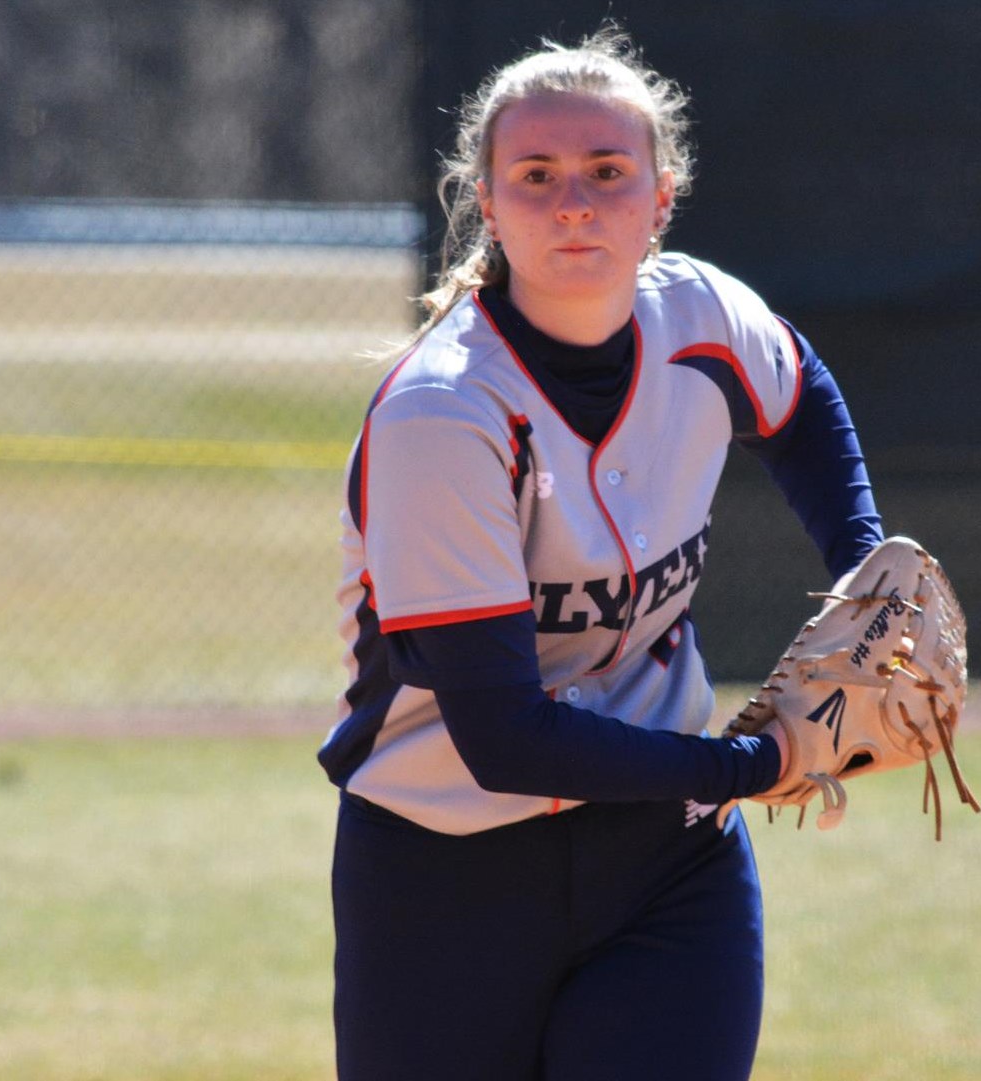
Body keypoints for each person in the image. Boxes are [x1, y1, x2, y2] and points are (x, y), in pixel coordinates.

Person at [319, 25, 884, 1081]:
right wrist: (757, 765)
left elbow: (798, 390)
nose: (572, 201)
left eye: (606, 171)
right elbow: (506, 740)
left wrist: (863, 567)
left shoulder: (699, 316)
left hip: (670, 862)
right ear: (486, 205)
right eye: (535, 175)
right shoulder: (445, 412)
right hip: (444, 874)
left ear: (660, 197)